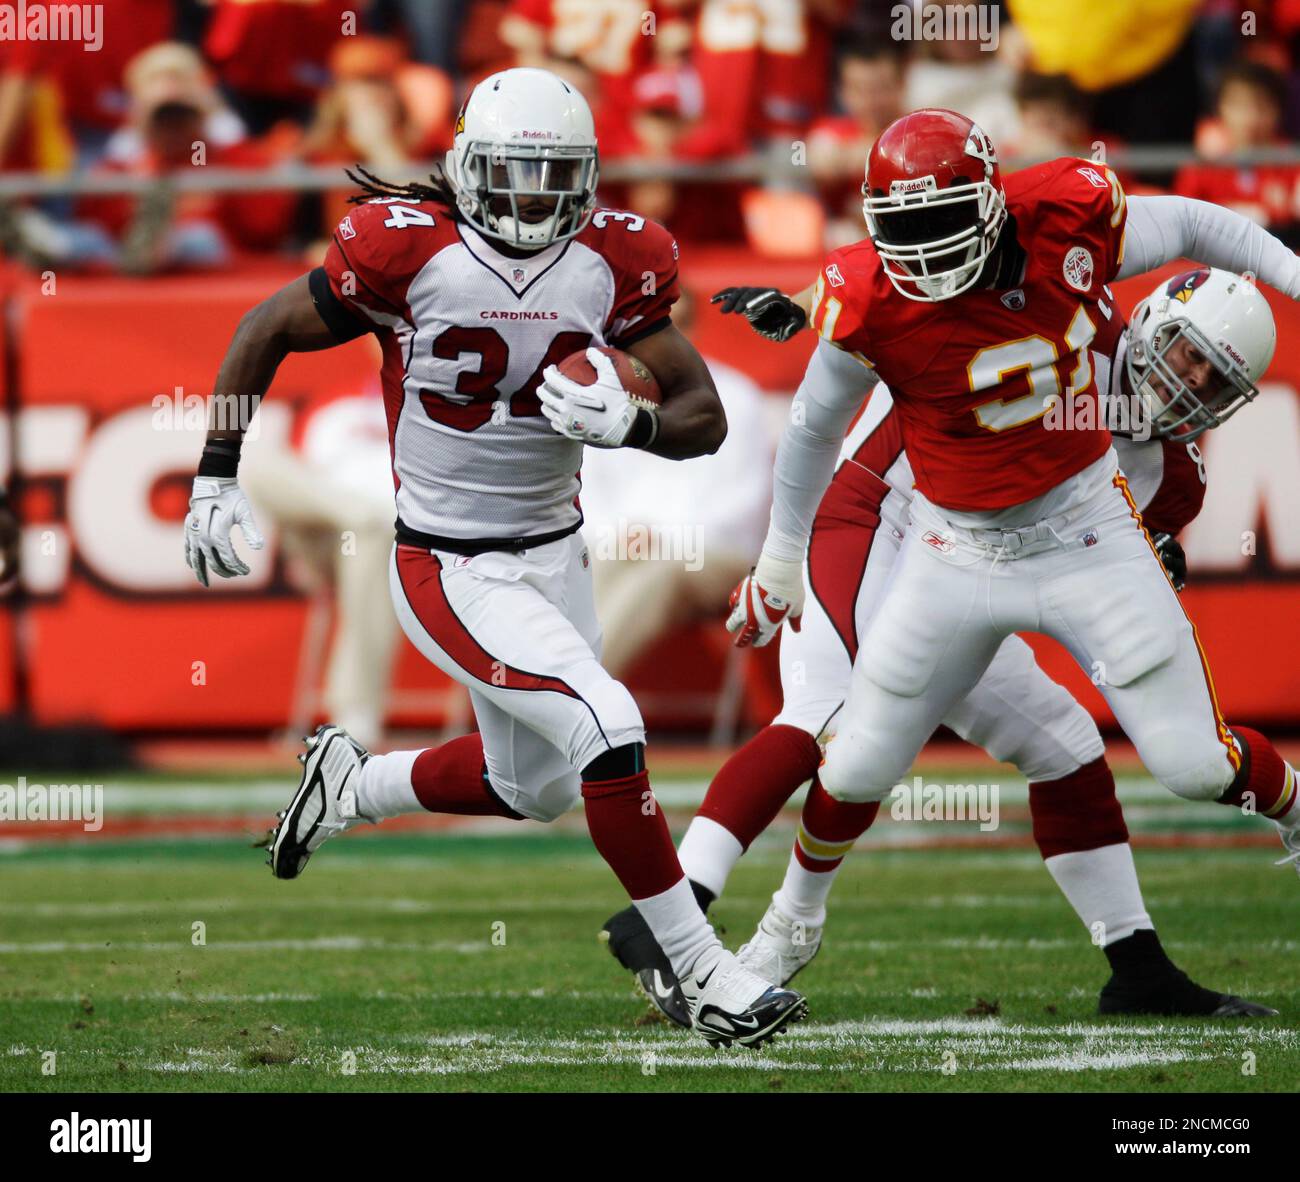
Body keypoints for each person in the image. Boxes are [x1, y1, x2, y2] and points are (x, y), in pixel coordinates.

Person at [182, 67, 806, 1049]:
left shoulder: (615, 257)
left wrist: (632, 423)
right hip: (449, 561)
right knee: (607, 721)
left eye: (553, 176)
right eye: (510, 174)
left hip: (555, 552)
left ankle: (351, 785)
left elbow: (703, 418)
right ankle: (705, 975)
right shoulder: (403, 247)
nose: (531, 199)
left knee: (539, 788)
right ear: (466, 167)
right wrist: (216, 473)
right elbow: (263, 328)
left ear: (589, 178)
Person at [604, 264, 1280, 1025]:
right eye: (1189, 353)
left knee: (1064, 745)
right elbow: (899, 276)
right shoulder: (1061, 322)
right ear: (1153, 318)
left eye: (1216, 381)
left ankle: (1139, 970)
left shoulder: (1174, 476)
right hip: (881, 512)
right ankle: (675, 914)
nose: (1190, 383)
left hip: (968, 574)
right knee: (829, 713)